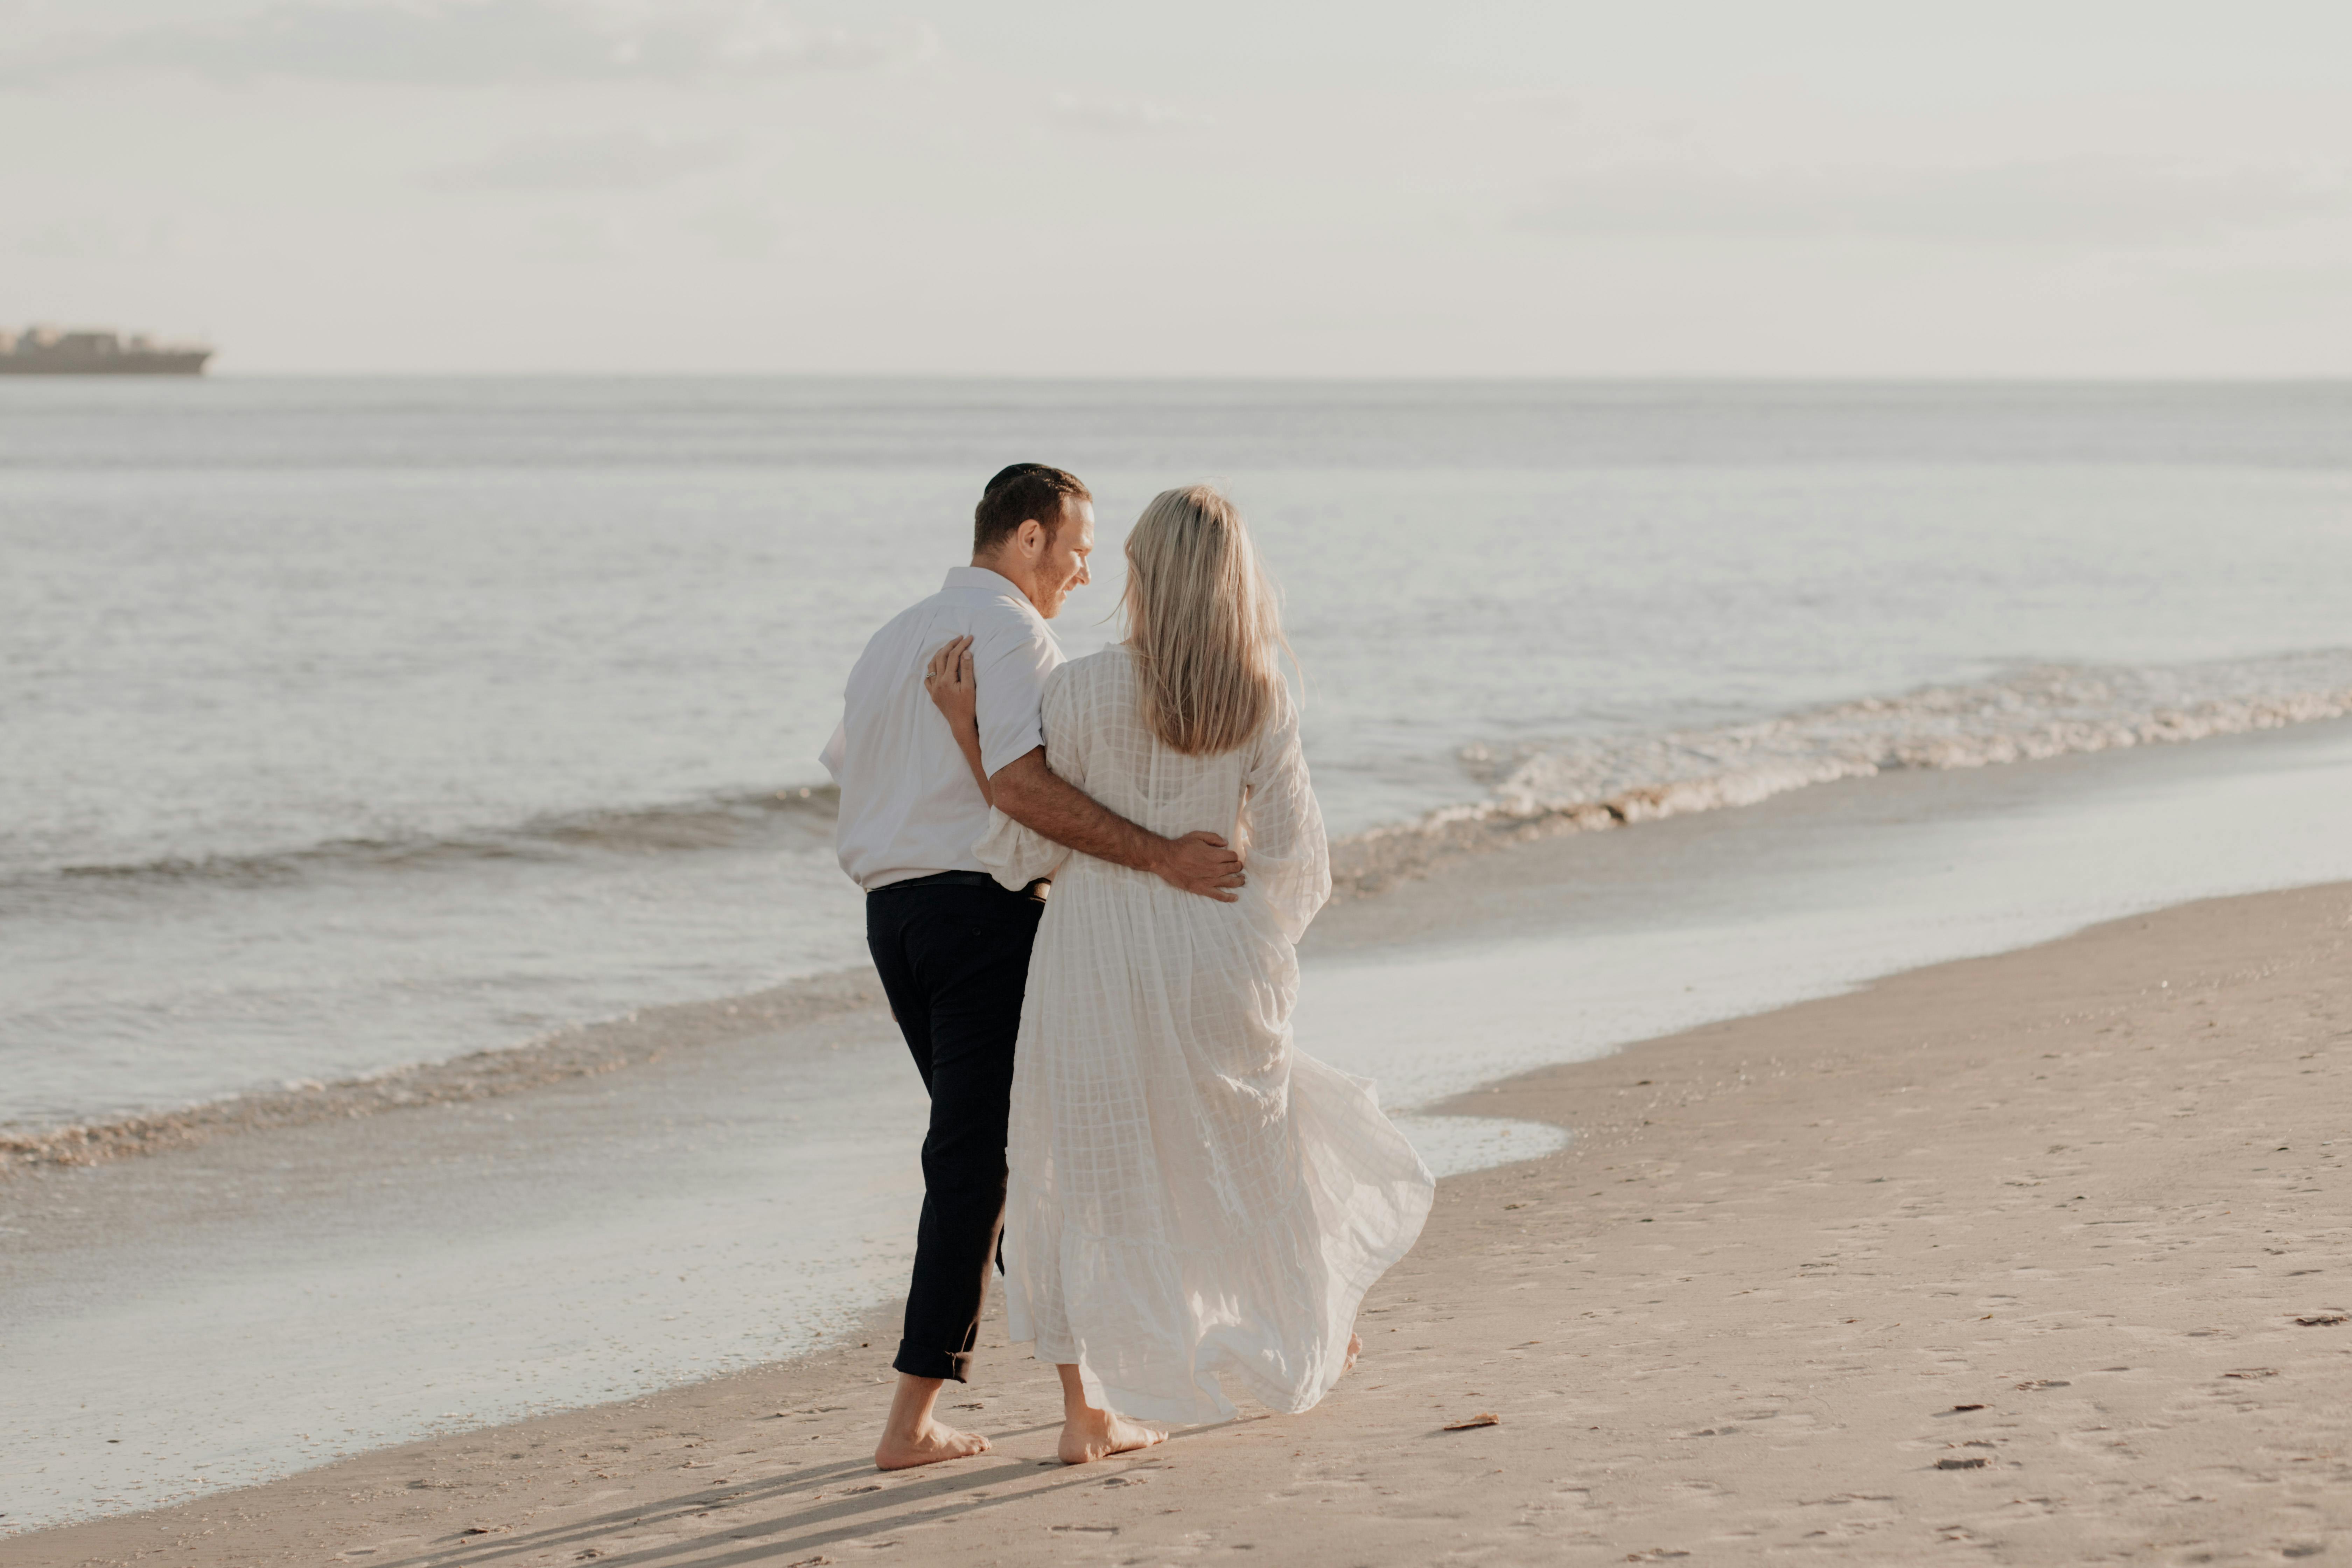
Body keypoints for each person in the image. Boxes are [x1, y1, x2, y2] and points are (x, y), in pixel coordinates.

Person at [924, 483, 1434, 1464]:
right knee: (1245, 1151)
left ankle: (1085, 1417)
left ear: (1143, 577)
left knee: (1089, 1167)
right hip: (1215, 942)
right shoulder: (1261, 694)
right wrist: (1251, 932)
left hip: (1095, 954)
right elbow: (1294, 861)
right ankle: (1282, 1331)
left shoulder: (1074, 689)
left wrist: (969, 734)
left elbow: (1020, 848)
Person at [820, 464, 1249, 1472]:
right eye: (1077, 548)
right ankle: (913, 1422)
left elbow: (856, 771)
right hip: (981, 919)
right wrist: (1161, 855)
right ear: (1025, 539)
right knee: (982, 1164)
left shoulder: (894, 635)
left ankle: (1084, 1404)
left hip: (898, 921)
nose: (1086, 571)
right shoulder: (1014, 634)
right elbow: (1022, 789)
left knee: (1016, 1163)